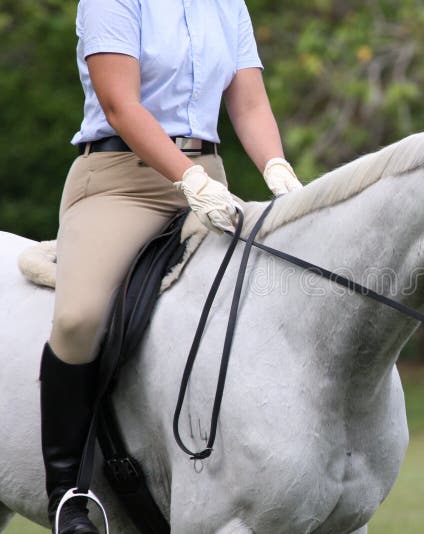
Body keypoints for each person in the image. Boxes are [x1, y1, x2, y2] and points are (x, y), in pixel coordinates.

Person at [39, 1, 302, 532]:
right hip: (120, 180)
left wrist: (279, 173)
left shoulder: (229, 5)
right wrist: (189, 181)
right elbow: (119, 104)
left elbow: (248, 106)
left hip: (210, 183)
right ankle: (67, 492)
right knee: (79, 318)